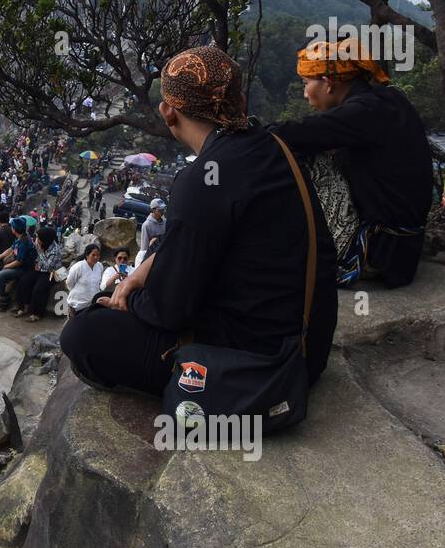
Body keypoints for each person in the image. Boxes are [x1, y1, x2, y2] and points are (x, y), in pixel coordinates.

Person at [60, 44, 337, 396]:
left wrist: (126, 299)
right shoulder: (275, 148)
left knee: (83, 333)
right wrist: (141, 274)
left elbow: (169, 310)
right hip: (308, 343)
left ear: (168, 112)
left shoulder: (202, 181)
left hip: (262, 366)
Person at [268, 37, 432, 288]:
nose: (304, 93)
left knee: (307, 158)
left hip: (380, 253)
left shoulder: (363, 111)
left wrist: (247, 131)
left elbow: (299, 132)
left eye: (306, 83)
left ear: (328, 82)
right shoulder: (386, 100)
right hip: (402, 250)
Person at [12, 226, 62, 322]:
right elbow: (37, 259)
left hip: (52, 273)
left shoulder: (55, 250)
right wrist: (37, 262)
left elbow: (49, 266)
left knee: (39, 288)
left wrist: (40, 252)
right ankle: (23, 305)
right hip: (40, 268)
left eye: (39, 237)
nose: (37, 239)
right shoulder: (41, 244)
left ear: (45, 239)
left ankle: (37, 313)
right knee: (24, 280)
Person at [0, 217, 36, 311]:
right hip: (18, 264)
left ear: (14, 229)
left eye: (12, 227)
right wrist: (0, 256)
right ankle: (9, 281)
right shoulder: (20, 237)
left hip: (24, 268)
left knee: (0, 275)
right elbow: (11, 248)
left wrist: (5, 266)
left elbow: (19, 261)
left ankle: (4, 299)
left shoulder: (24, 242)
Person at [65, 243, 105, 316]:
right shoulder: (78, 267)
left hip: (92, 305)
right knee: (73, 326)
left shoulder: (100, 266)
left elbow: (98, 284)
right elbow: (69, 283)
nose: (96, 257)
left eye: (98, 255)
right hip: (77, 304)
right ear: (87, 255)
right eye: (93, 255)